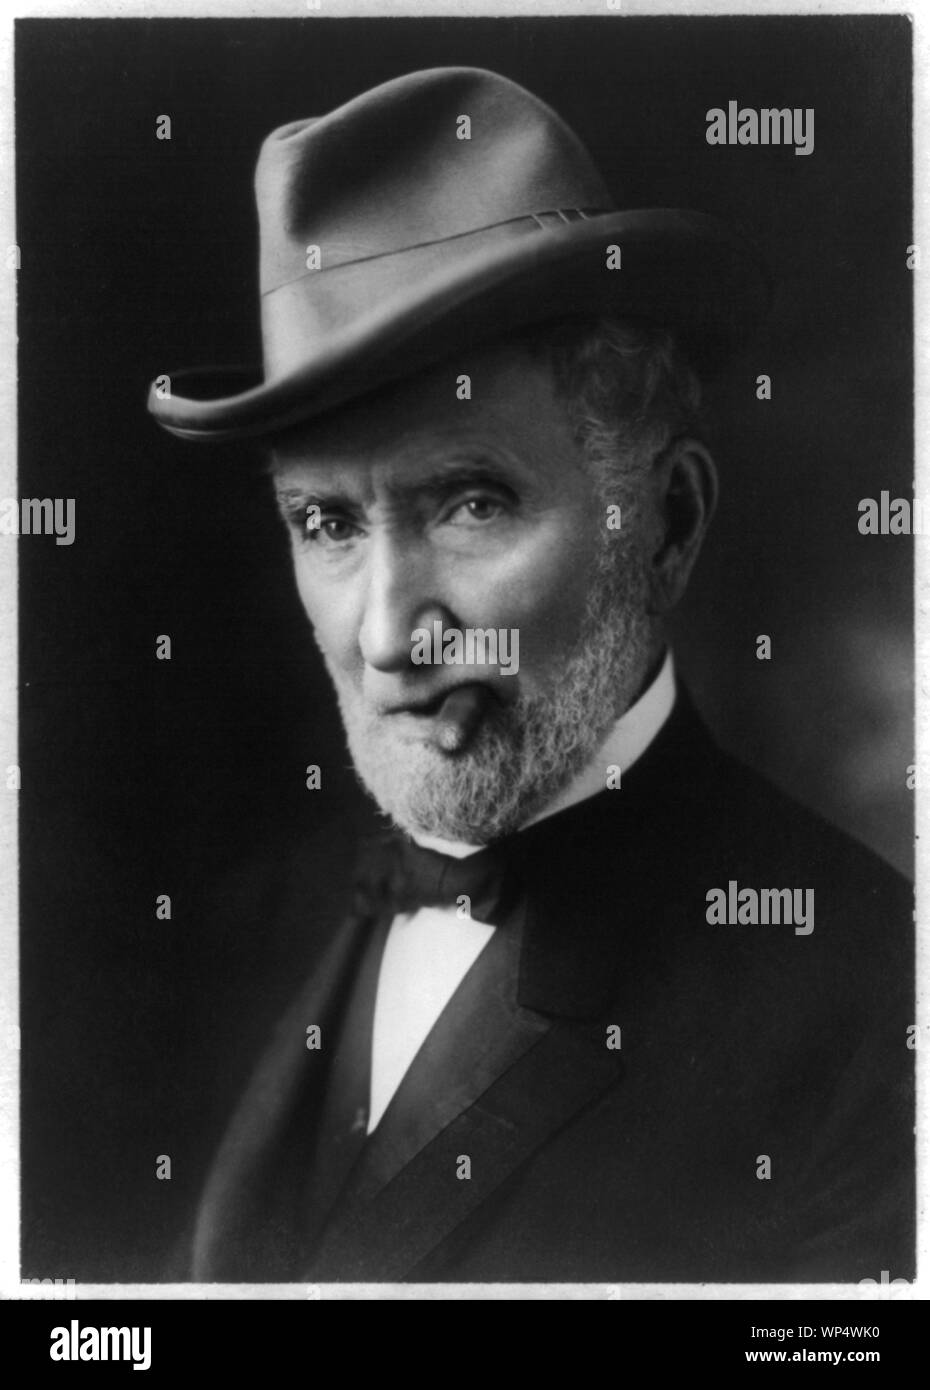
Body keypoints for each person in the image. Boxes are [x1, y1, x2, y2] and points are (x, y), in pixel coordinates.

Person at [149, 66, 914, 1283]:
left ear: (665, 522)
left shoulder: (877, 1012)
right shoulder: (270, 920)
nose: (392, 633)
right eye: (328, 525)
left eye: (470, 501)